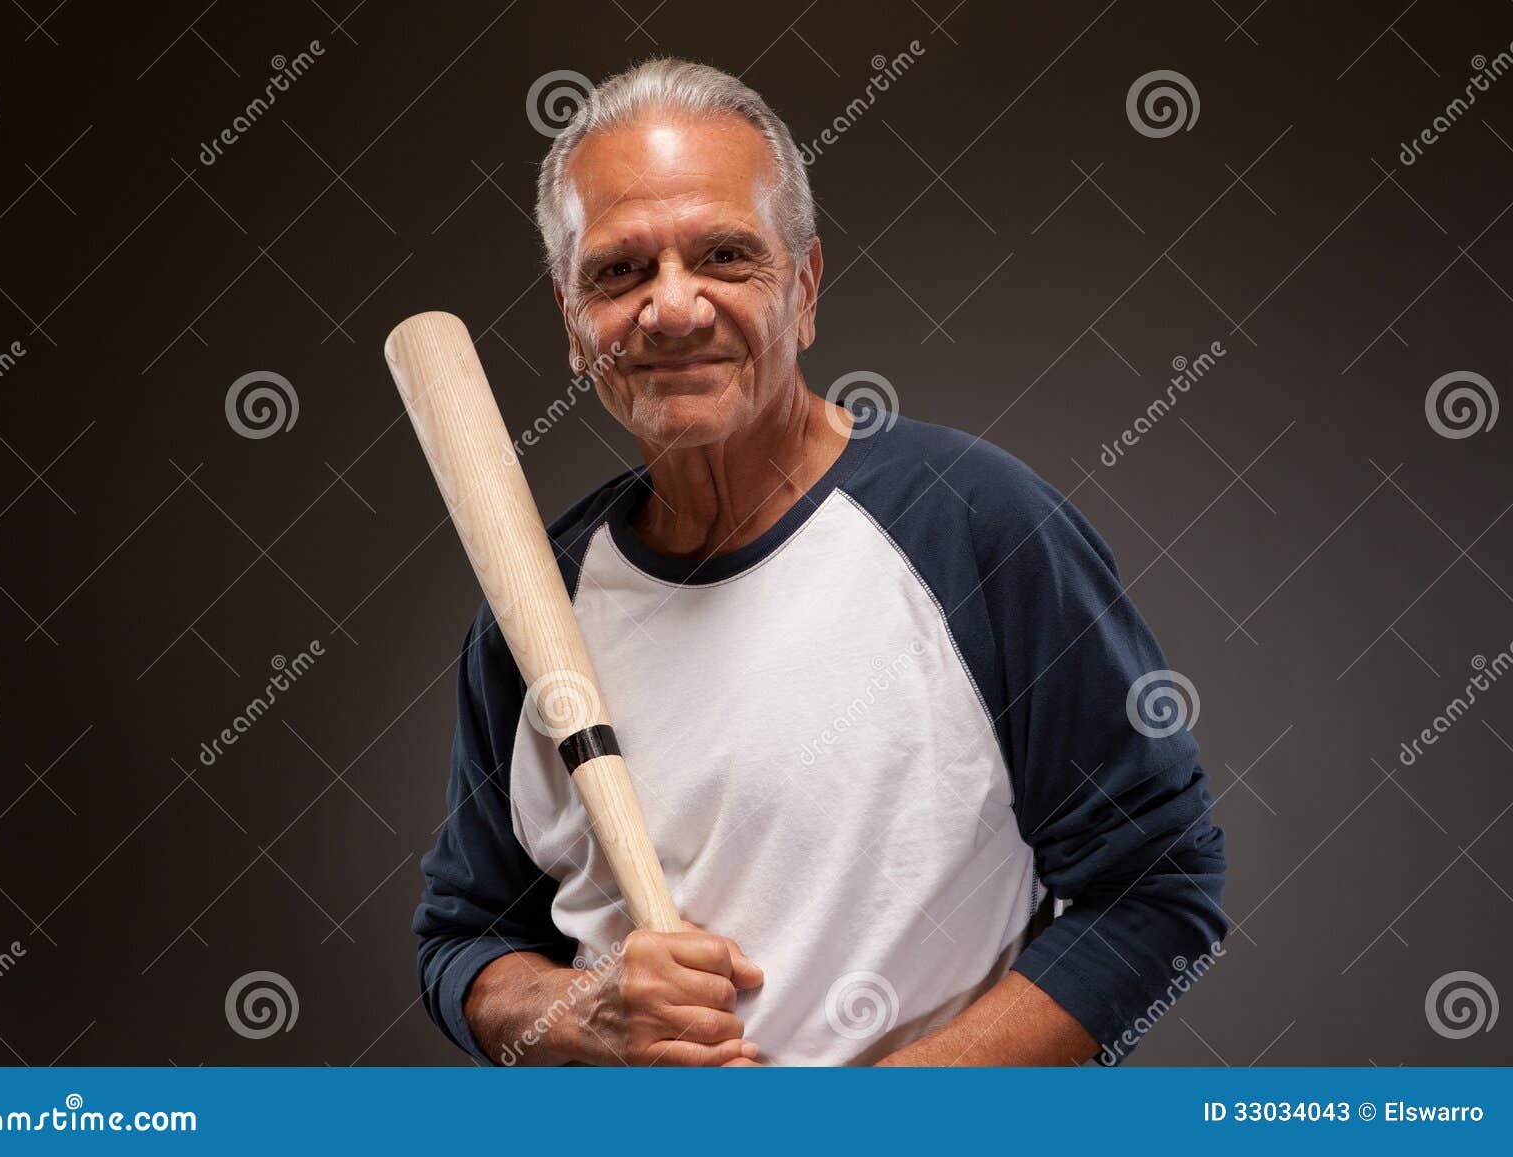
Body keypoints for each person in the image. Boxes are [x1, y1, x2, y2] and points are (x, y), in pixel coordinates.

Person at [413, 57, 1227, 1066]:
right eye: (619, 272)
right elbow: (464, 939)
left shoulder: (976, 528)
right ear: (573, 324)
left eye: (724, 255)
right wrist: (579, 1008)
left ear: (802, 287)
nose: (673, 308)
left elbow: (1156, 885)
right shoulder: (532, 608)